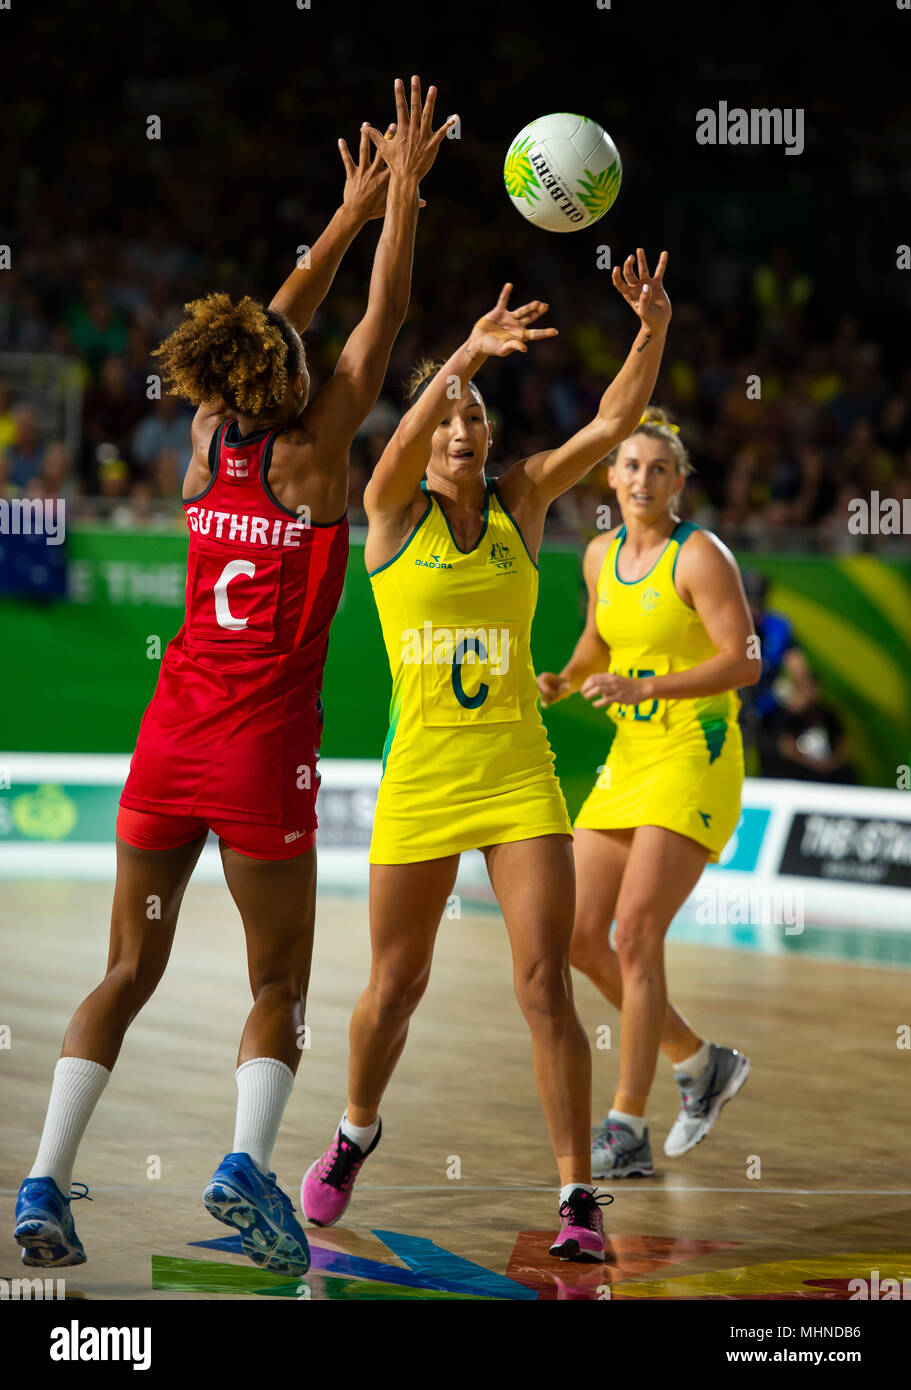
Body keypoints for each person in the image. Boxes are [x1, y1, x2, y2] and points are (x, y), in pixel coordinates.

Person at [13, 78, 457, 1277]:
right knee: (279, 981)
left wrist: (343, 210)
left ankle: (43, 1181)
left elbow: (272, 318)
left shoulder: (213, 433)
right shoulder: (316, 457)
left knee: (126, 968)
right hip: (262, 754)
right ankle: (244, 1166)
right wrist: (399, 199)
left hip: (168, 745)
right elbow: (389, 310)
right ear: (285, 370)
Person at [301, 249, 672, 1262]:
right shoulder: (386, 512)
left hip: (517, 777)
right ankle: (354, 1131)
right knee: (395, 987)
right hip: (420, 782)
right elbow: (392, 446)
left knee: (544, 980)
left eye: (473, 419)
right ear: (424, 446)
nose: (461, 431)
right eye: (446, 421)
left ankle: (575, 1194)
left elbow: (607, 427)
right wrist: (461, 354)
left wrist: (650, 329)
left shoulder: (518, 504)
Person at [538, 408, 758, 1177]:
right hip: (631, 756)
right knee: (578, 938)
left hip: (696, 748)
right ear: (610, 476)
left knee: (633, 934)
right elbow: (600, 639)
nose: (641, 480)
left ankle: (624, 1127)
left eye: (657, 469)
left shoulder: (700, 557)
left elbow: (744, 659)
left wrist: (648, 684)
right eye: (629, 466)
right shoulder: (599, 555)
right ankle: (699, 1063)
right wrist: (563, 680)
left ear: (678, 483)